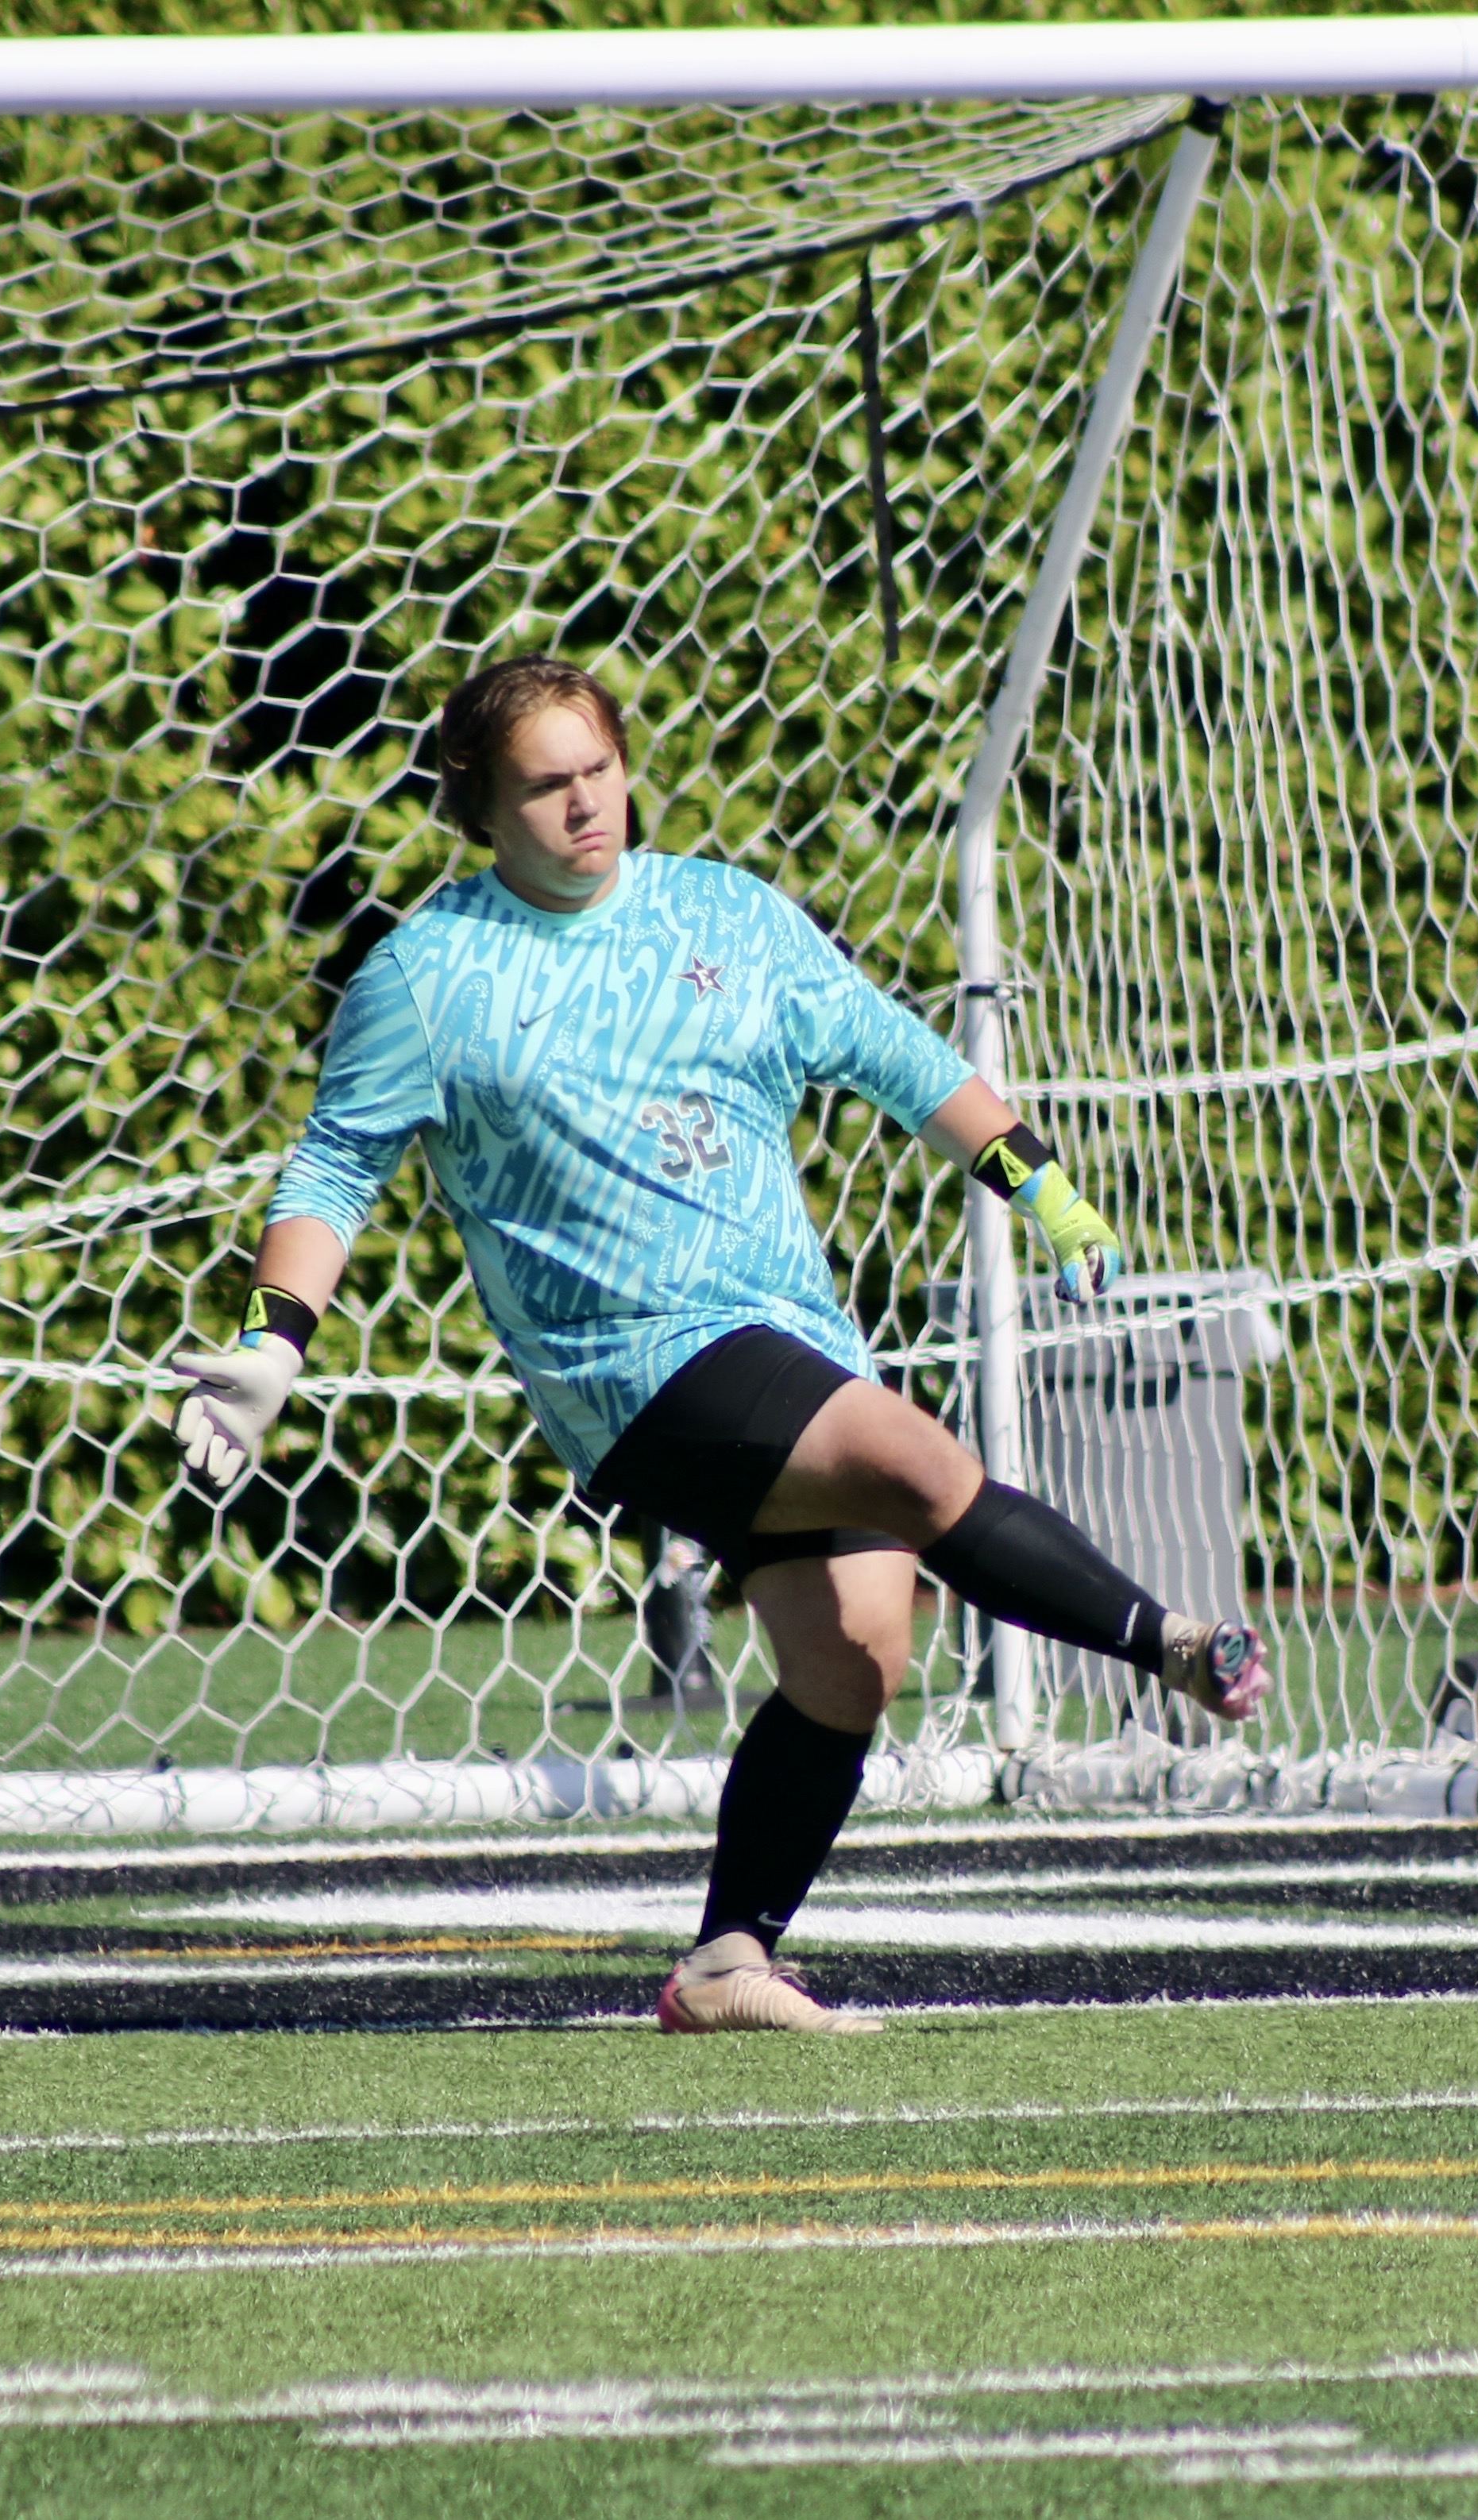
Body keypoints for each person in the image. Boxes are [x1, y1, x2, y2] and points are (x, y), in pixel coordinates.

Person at [168, 657, 1268, 2034]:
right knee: (917, 1462)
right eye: (545, 785)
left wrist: (1043, 1189)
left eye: (598, 770)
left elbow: (894, 1054)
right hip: (627, 1369)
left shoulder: (725, 912)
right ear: (478, 808)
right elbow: (335, 1169)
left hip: (787, 1334)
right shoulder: (427, 976)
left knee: (855, 1659)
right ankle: (1170, 1642)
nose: (585, 804)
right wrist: (275, 1341)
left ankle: (723, 1962)